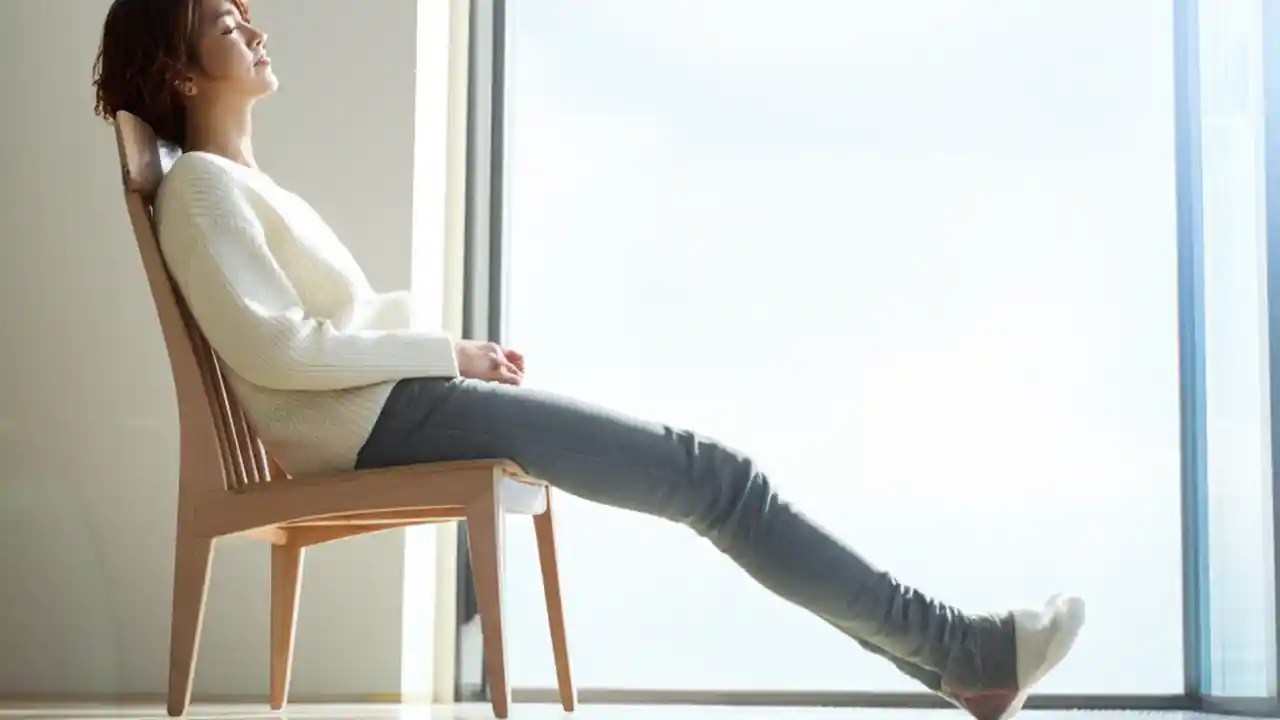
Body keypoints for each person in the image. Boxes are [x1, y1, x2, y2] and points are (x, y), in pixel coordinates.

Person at [92, 1, 1085, 718]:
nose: (255, 26)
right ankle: (964, 653)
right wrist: (447, 351)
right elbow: (277, 349)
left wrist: (443, 361)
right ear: (180, 74)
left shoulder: (241, 185)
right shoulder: (203, 192)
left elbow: (296, 342)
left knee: (710, 481)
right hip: (385, 416)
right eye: (224, 23)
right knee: (711, 478)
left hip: (397, 406)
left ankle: (961, 663)